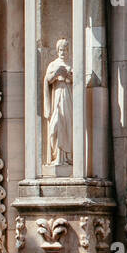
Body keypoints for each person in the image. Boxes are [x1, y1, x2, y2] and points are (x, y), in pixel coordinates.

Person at [43, 39, 73, 167]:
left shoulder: (71, 64)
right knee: (54, 126)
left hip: (68, 96)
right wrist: (56, 73)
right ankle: (56, 156)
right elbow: (47, 80)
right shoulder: (53, 64)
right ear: (57, 51)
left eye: (65, 50)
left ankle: (66, 157)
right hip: (56, 96)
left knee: (67, 126)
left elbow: (78, 80)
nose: (63, 52)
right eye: (60, 50)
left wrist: (69, 76)